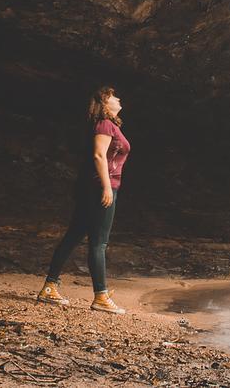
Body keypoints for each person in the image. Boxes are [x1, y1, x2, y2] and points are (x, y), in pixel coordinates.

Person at [38, 86, 131, 314]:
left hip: (92, 187)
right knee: (99, 242)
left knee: (74, 235)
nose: (118, 98)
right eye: (113, 96)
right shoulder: (104, 124)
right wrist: (107, 187)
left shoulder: (108, 124)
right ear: (105, 104)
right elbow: (99, 155)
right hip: (99, 187)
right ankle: (100, 296)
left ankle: (50, 286)